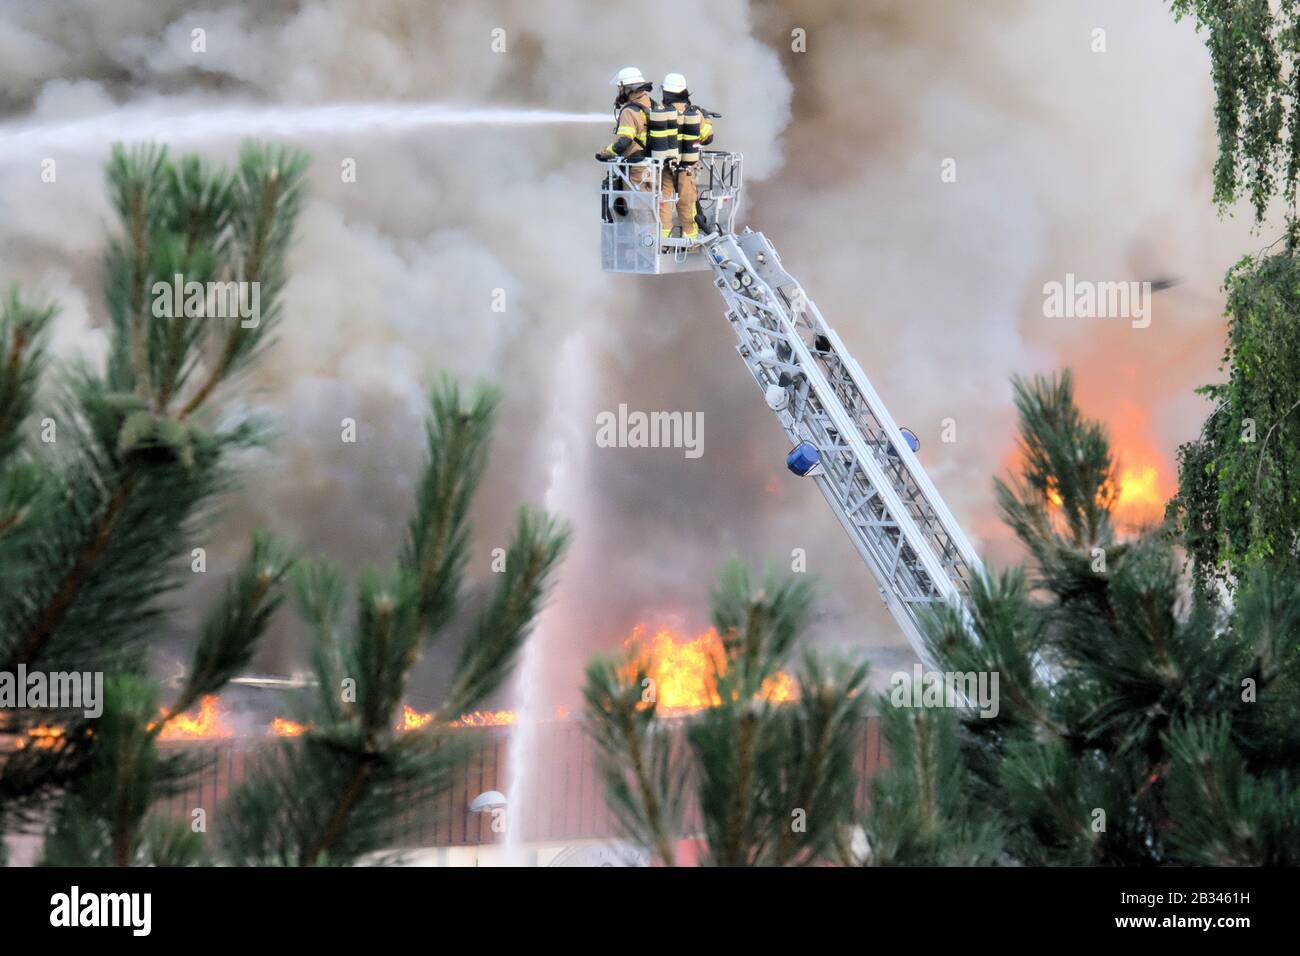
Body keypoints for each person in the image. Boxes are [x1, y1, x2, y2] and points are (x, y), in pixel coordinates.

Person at [657, 72, 715, 240]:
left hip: (666, 168)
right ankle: (691, 240)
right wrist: (707, 119)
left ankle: (664, 241)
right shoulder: (694, 113)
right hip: (687, 168)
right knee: (687, 205)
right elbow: (707, 138)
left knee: (664, 204)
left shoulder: (659, 112)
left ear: (666, 93)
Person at [596, 67, 655, 188]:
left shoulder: (629, 112)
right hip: (654, 165)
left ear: (629, 88)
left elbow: (624, 142)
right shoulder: (652, 105)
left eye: (621, 88)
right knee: (653, 202)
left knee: (637, 205)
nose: (620, 92)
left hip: (637, 168)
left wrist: (605, 152)